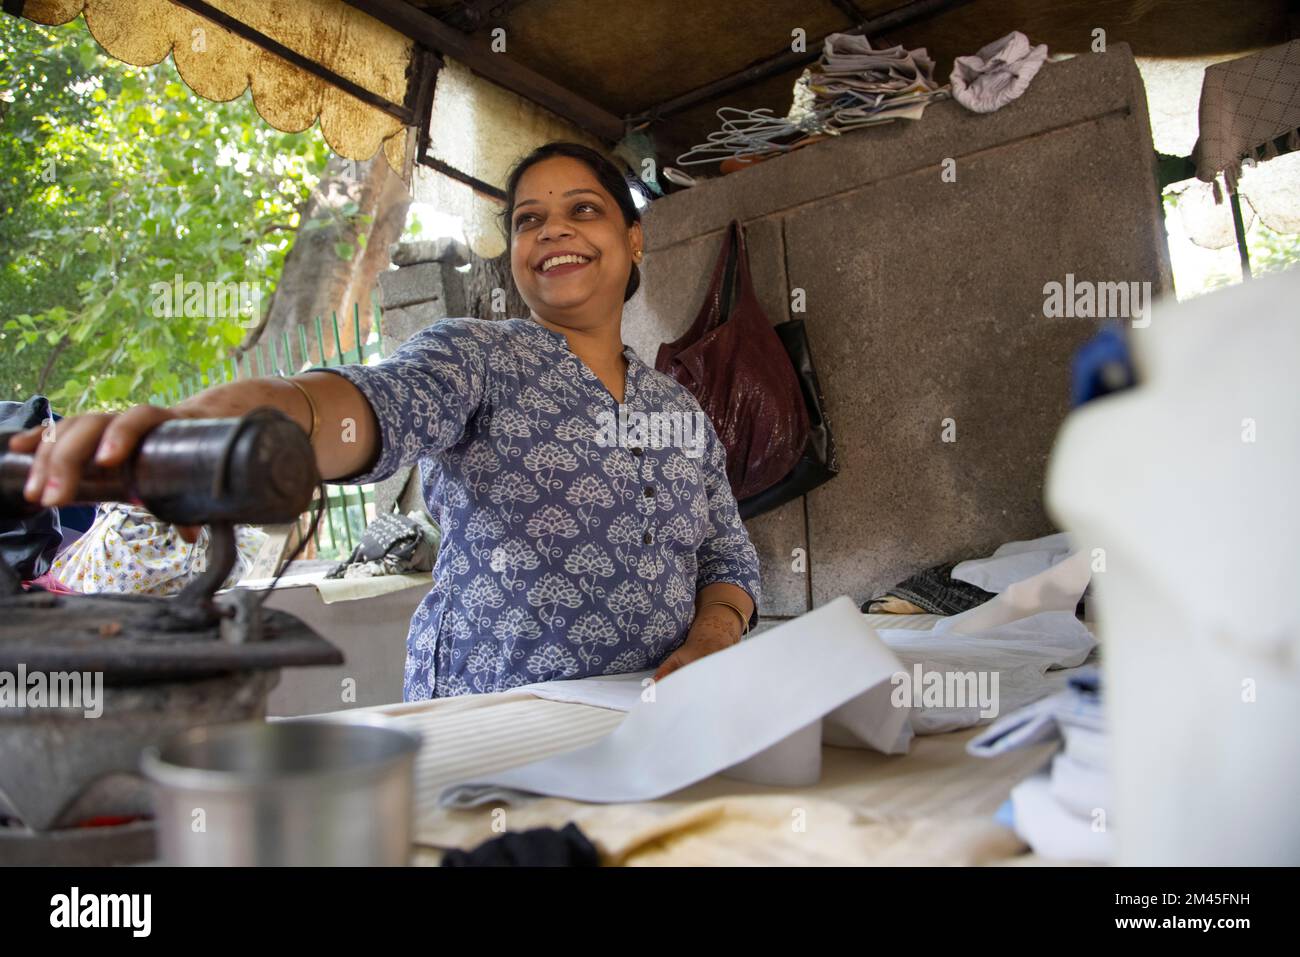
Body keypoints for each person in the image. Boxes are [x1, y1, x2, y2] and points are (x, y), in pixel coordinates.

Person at [10, 141, 762, 699]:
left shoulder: (678, 410)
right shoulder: (476, 357)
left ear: (634, 240)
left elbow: (728, 561)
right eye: (531, 220)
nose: (554, 231)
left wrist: (709, 641)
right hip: (496, 720)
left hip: (659, 717)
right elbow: (362, 406)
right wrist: (232, 419)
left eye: (584, 210)